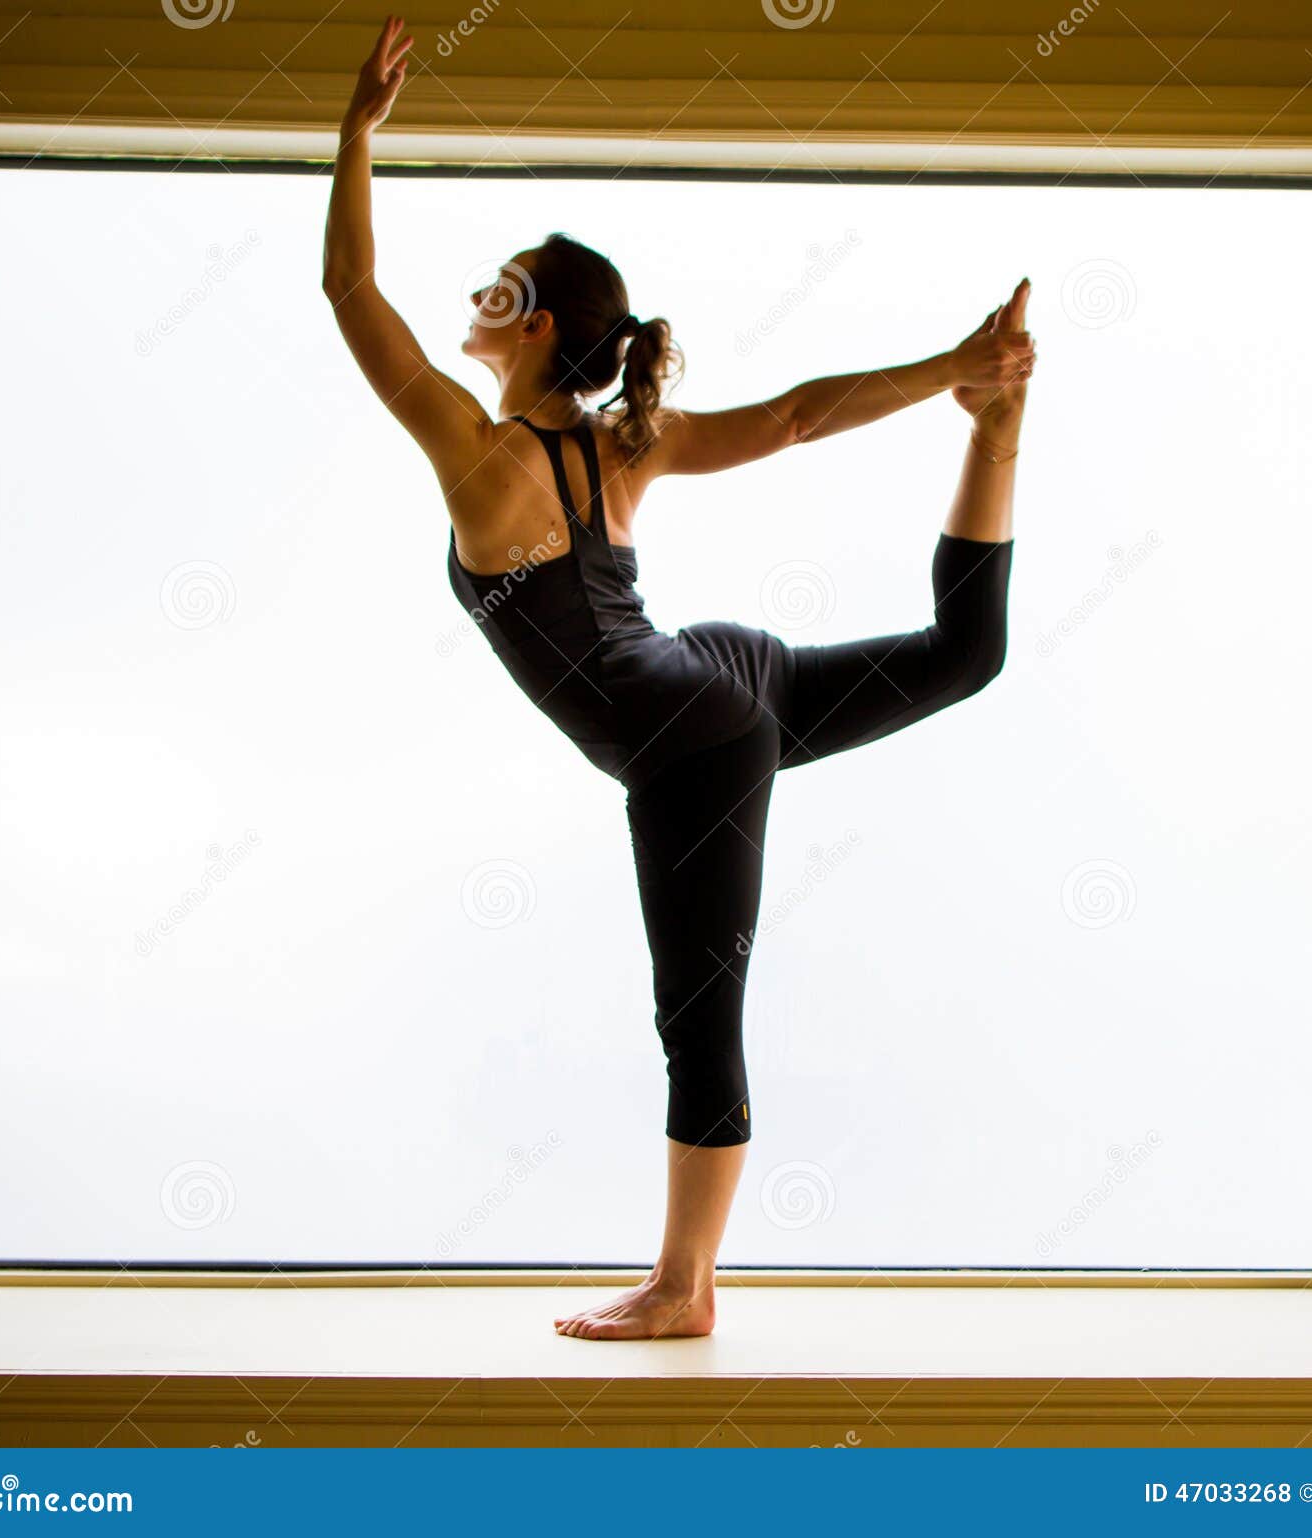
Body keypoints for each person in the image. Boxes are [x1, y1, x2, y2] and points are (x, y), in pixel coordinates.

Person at [324, 18, 1035, 1340]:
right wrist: (954, 373)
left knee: (697, 1014)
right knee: (966, 654)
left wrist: (360, 132)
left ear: (529, 323)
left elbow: (351, 296)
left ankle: (682, 1287)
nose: (471, 294)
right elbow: (798, 417)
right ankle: (998, 434)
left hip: (690, 734)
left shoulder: (486, 459)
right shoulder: (619, 449)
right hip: (721, 679)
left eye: (495, 280)